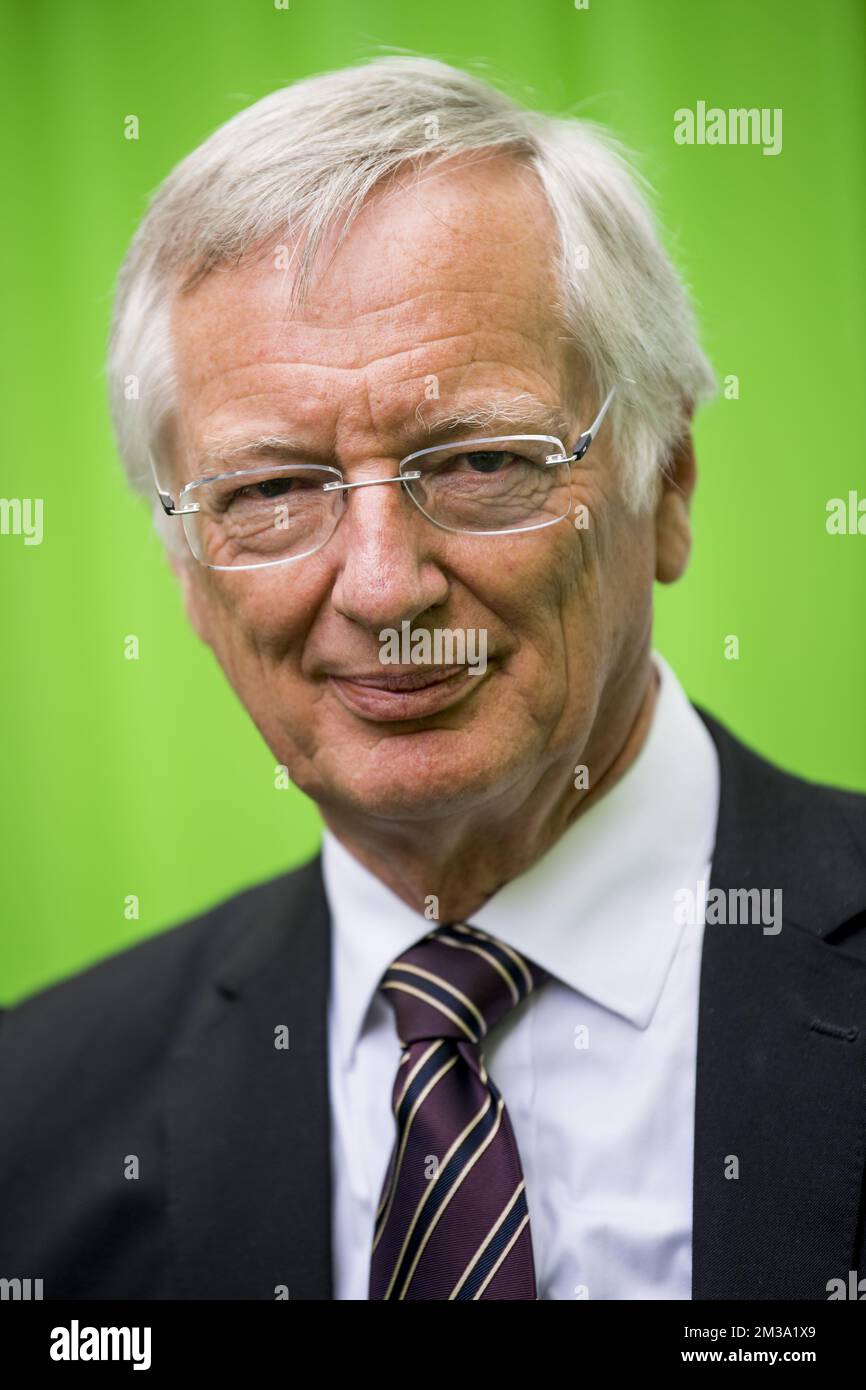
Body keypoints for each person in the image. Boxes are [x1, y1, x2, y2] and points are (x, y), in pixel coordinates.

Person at [2, 56, 865, 1302]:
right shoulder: (35, 1118)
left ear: (663, 482)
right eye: (270, 492)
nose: (379, 586)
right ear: (189, 573)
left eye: (473, 463)